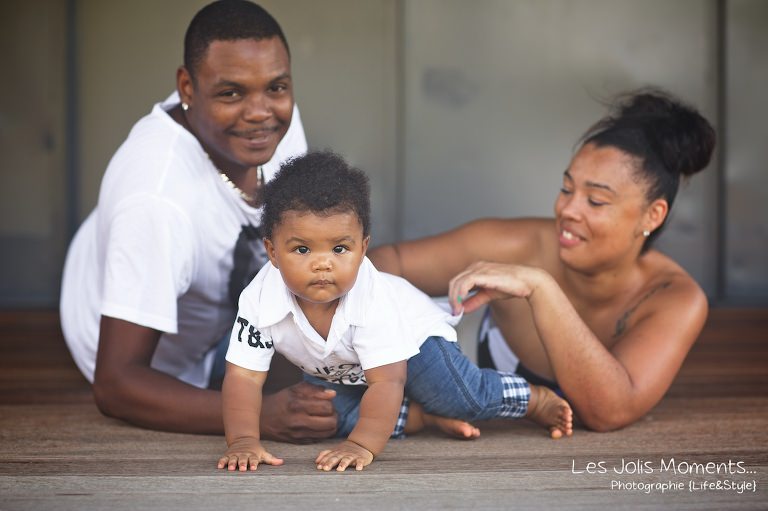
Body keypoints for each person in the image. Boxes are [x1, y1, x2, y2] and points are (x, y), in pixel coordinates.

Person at [59, 0, 338, 439]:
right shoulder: (156, 201)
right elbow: (115, 384)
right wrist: (257, 416)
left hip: (225, 312)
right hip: (157, 360)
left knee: (371, 297)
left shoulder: (268, 122)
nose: (261, 112)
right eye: (231, 93)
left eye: (276, 87)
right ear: (187, 88)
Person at [368, 88, 716, 432]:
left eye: (595, 201)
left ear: (652, 216)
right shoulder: (514, 244)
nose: (567, 210)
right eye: (566, 189)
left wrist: (541, 287)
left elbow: (609, 411)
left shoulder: (674, 299)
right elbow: (389, 260)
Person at [216, 151, 573, 473]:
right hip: (342, 370)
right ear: (273, 252)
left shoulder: (372, 300)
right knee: (319, 417)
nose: (322, 263)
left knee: (458, 397)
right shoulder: (260, 298)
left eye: (340, 248)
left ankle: (531, 398)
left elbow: (387, 381)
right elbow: (245, 378)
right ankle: (423, 419)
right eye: (302, 249)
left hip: (416, 344)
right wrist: (244, 440)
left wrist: (361, 445)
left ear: (363, 248)